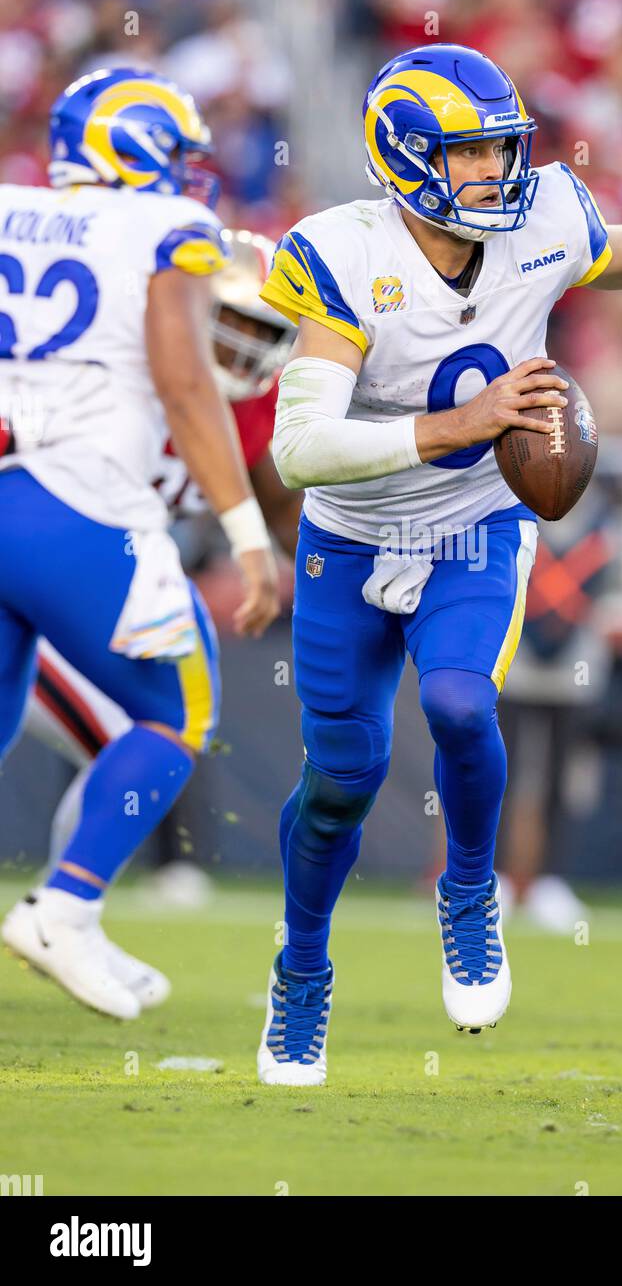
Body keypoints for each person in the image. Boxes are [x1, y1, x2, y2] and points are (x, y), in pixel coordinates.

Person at [256, 42, 622, 1086]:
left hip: (475, 525)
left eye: (502, 147)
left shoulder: (541, 219)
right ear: (406, 159)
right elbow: (297, 449)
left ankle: (470, 892)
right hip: (349, 540)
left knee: (456, 703)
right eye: (472, 154)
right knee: (340, 781)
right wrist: (458, 423)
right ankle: (301, 968)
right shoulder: (344, 256)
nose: (499, 171)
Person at [0, 68, 279, 1019]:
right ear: (136, 150)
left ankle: (72, 913)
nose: (191, 179)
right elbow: (183, 383)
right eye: (179, 157)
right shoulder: (164, 232)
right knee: (176, 715)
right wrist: (247, 536)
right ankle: (65, 910)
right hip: (73, 504)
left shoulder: (9, 208)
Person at [26, 230, 301, 926]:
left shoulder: (256, 407)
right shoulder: (127, 364)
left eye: (260, 330)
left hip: (89, 585)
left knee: (141, 739)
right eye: (229, 320)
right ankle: (63, 913)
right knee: (161, 725)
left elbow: (284, 511)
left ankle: (64, 910)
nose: (241, 344)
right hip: (49, 567)